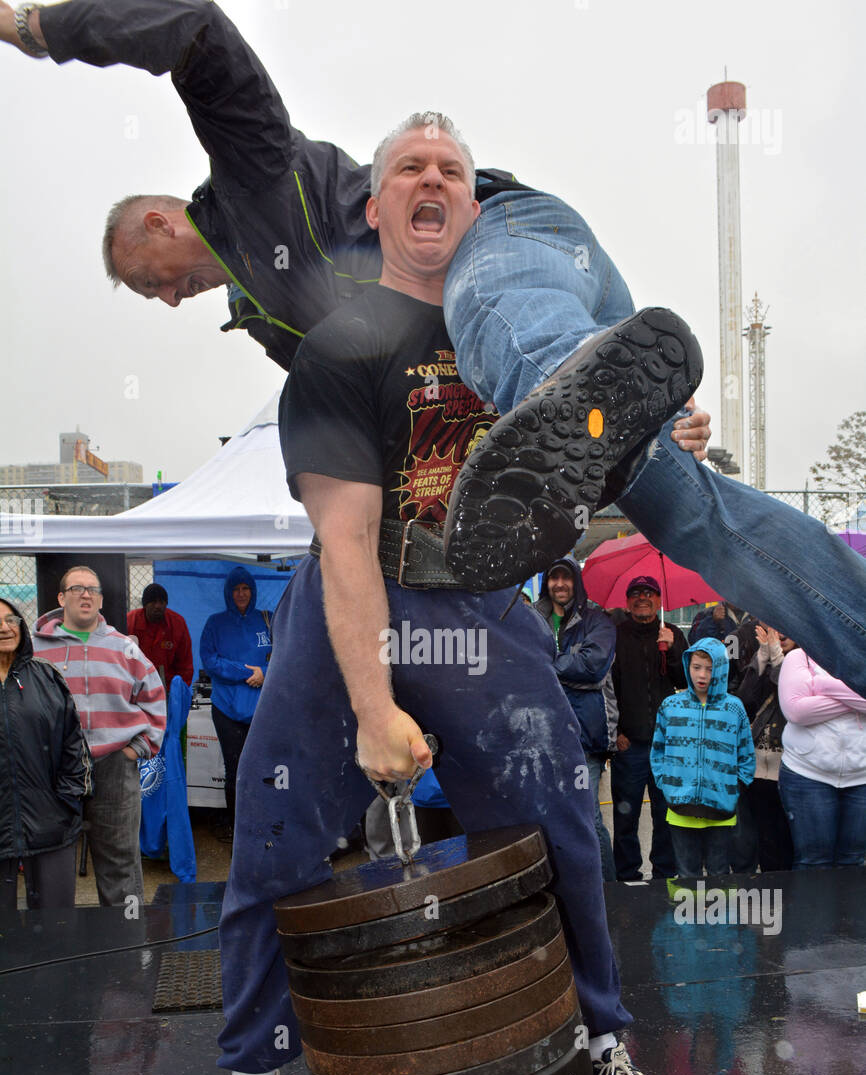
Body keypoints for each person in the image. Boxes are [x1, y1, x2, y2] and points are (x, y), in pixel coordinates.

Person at [8, 3, 865, 690]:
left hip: (511, 240)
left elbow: (194, 28)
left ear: (158, 223)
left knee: (479, 303)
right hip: (559, 336)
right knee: (699, 521)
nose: (164, 298)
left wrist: (38, 30)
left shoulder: (252, 173)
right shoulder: (276, 322)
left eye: (148, 278)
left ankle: (595, 405)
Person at [165, 117, 693, 1075]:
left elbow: (570, 487)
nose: (432, 179)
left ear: (471, 204)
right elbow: (349, 542)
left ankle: (598, 1046)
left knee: (558, 821)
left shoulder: (511, 334)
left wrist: (646, 443)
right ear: (374, 206)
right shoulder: (339, 345)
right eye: (408, 165)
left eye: (451, 168)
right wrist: (369, 709)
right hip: (355, 595)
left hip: (481, 602)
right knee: (272, 831)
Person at [31, 565, 166, 907]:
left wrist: (136, 749)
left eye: (93, 589)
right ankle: (52, 940)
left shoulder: (125, 649)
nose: (86, 594)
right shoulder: (34, 651)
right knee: (49, 861)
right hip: (54, 770)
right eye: (77, 588)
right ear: (61, 598)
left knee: (120, 862)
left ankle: (125, 943)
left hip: (114, 767)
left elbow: (154, 697)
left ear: (102, 600)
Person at [0, 595, 91, 912]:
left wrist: (68, 799)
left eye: (11, 620)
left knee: (56, 928)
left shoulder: (46, 676)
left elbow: (74, 743)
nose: (5, 628)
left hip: (50, 822)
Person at [534, 558, 617, 880]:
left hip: (584, 739)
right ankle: (572, 891)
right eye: (553, 577)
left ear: (576, 582)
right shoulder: (532, 619)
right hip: (542, 737)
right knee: (550, 819)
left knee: (589, 820)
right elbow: (520, 663)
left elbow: (593, 668)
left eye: (565, 577)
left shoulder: (598, 621)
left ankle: (610, 893)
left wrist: (546, 666)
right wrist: (565, 663)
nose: (559, 584)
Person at [651, 639, 755, 878]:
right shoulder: (670, 706)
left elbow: (746, 753)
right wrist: (666, 783)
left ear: (721, 669)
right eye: (696, 667)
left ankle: (719, 916)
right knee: (687, 873)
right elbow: (658, 750)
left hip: (721, 806)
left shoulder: (734, 708)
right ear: (688, 666)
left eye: (710, 669)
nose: (702, 675)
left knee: (719, 871)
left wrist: (734, 787)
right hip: (680, 805)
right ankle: (691, 916)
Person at [610, 577, 687, 882]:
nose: (642, 598)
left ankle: (664, 874)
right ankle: (627, 874)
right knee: (625, 816)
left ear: (658, 600)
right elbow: (609, 688)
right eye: (636, 594)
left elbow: (685, 682)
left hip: (667, 744)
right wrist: (615, 732)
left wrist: (672, 648)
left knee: (665, 816)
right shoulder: (615, 635)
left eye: (648, 593)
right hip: (630, 746)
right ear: (627, 602)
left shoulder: (672, 634)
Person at [199, 567, 271, 840]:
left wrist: (265, 672)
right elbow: (210, 660)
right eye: (236, 589)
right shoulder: (215, 623)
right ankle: (237, 826)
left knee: (261, 767)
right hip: (226, 709)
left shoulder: (267, 619)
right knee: (235, 768)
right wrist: (247, 672)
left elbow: (285, 654)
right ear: (229, 593)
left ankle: (262, 822)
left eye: (246, 588)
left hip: (261, 710)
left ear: (252, 591)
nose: (241, 594)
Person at [777, 649, 866, 870]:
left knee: (854, 861)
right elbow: (797, 712)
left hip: (862, 778)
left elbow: (807, 707)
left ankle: (847, 907)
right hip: (807, 775)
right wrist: (856, 698)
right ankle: (814, 907)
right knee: (813, 862)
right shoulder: (799, 657)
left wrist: (823, 686)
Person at [734, 624, 797, 871]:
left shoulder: (805, 663)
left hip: (791, 768)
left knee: (788, 839)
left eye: (785, 630)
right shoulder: (763, 657)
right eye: (774, 629)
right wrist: (761, 656)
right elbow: (745, 699)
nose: (779, 636)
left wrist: (779, 658)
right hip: (758, 767)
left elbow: (790, 698)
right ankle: (772, 898)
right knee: (765, 839)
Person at [126, 583, 193, 689]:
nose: (157, 606)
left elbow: (185, 665)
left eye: (161, 602)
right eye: (153, 602)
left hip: (168, 686)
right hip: (135, 684)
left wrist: (178, 692)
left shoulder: (177, 624)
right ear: (145, 605)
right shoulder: (130, 622)